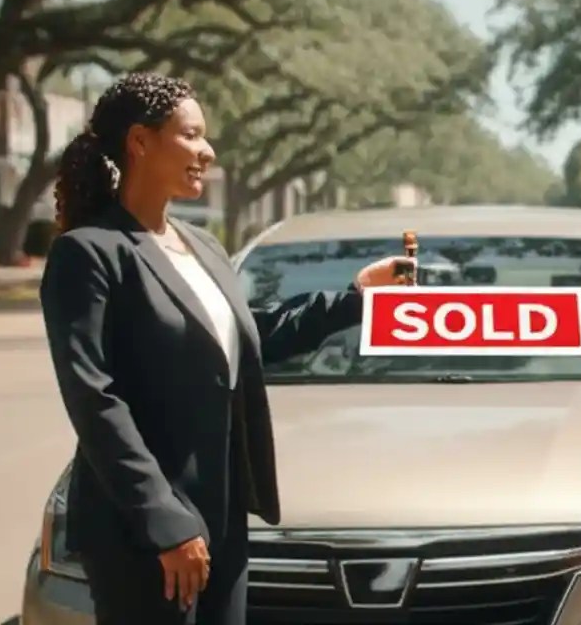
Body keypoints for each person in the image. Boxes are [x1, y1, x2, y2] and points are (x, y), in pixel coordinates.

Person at [38, 72, 409, 625]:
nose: (207, 152)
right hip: (144, 530)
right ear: (140, 142)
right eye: (191, 136)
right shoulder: (88, 254)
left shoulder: (203, 246)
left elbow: (249, 338)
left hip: (223, 519)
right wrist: (163, 519)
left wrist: (357, 298)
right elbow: (94, 399)